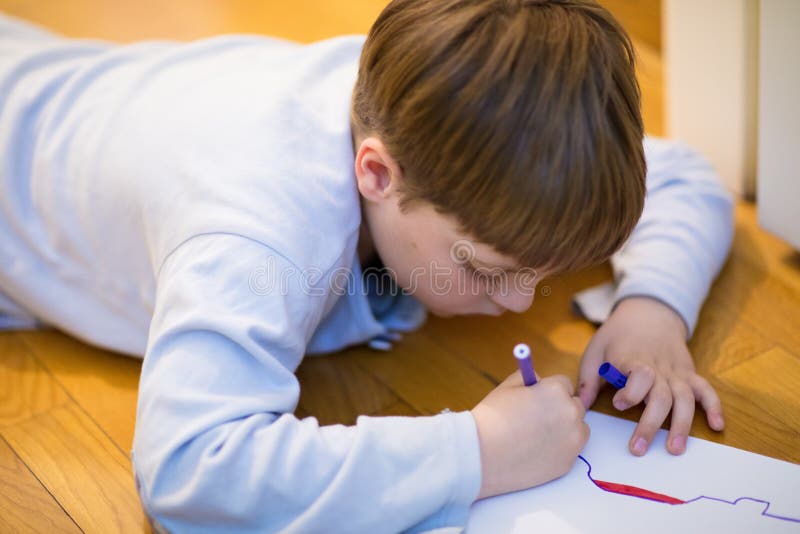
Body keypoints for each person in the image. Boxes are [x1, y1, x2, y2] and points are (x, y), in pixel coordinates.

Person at [0, 0, 733, 531]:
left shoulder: (443, 106)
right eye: (484, 269)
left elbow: (685, 177)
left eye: (545, 271)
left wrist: (652, 311)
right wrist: (476, 450)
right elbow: (190, 471)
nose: (517, 306)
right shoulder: (258, 232)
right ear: (375, 175)